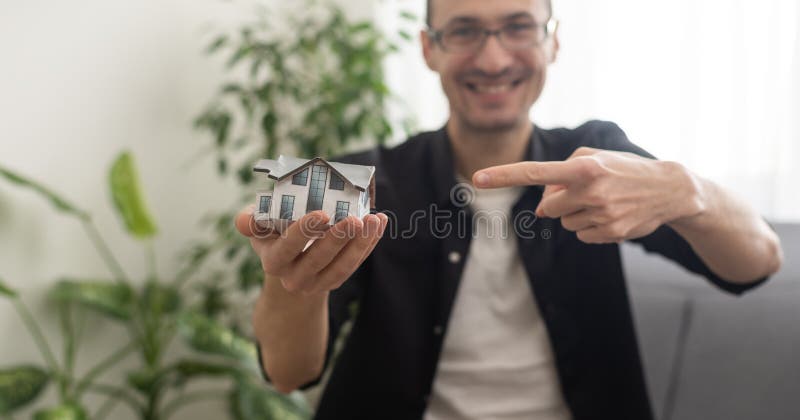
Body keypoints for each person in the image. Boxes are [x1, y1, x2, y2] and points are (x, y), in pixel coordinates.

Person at [235, 0, 783, 418]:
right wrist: (290, 280)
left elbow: (757, 263)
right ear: (429, 49)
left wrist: (689, 192)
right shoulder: (367, 182)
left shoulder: (597, 163)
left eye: (518, 26)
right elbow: (287, 373)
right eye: (465, 31)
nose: (493, 59)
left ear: (553, 42)